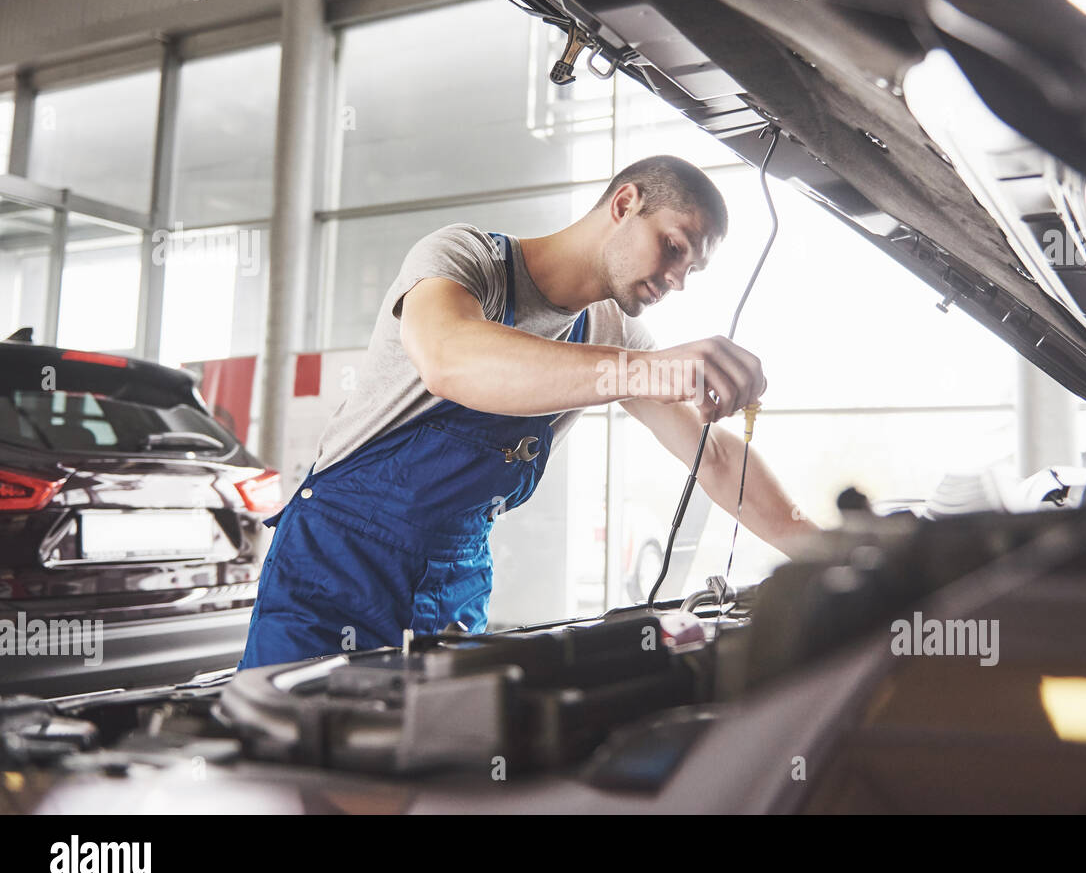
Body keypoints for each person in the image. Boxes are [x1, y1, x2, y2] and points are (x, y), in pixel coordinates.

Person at [237, 155, 818, 669]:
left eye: (692, 270)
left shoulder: (613, 331)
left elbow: (713, 456)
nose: (677, 281)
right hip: (336, 566)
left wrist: (836, 559)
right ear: (624, 204)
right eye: (674, 248)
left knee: (441, 771)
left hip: (452, 582)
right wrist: (642, 372)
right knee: (287, 767)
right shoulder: (465, 260)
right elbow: (450, 358)